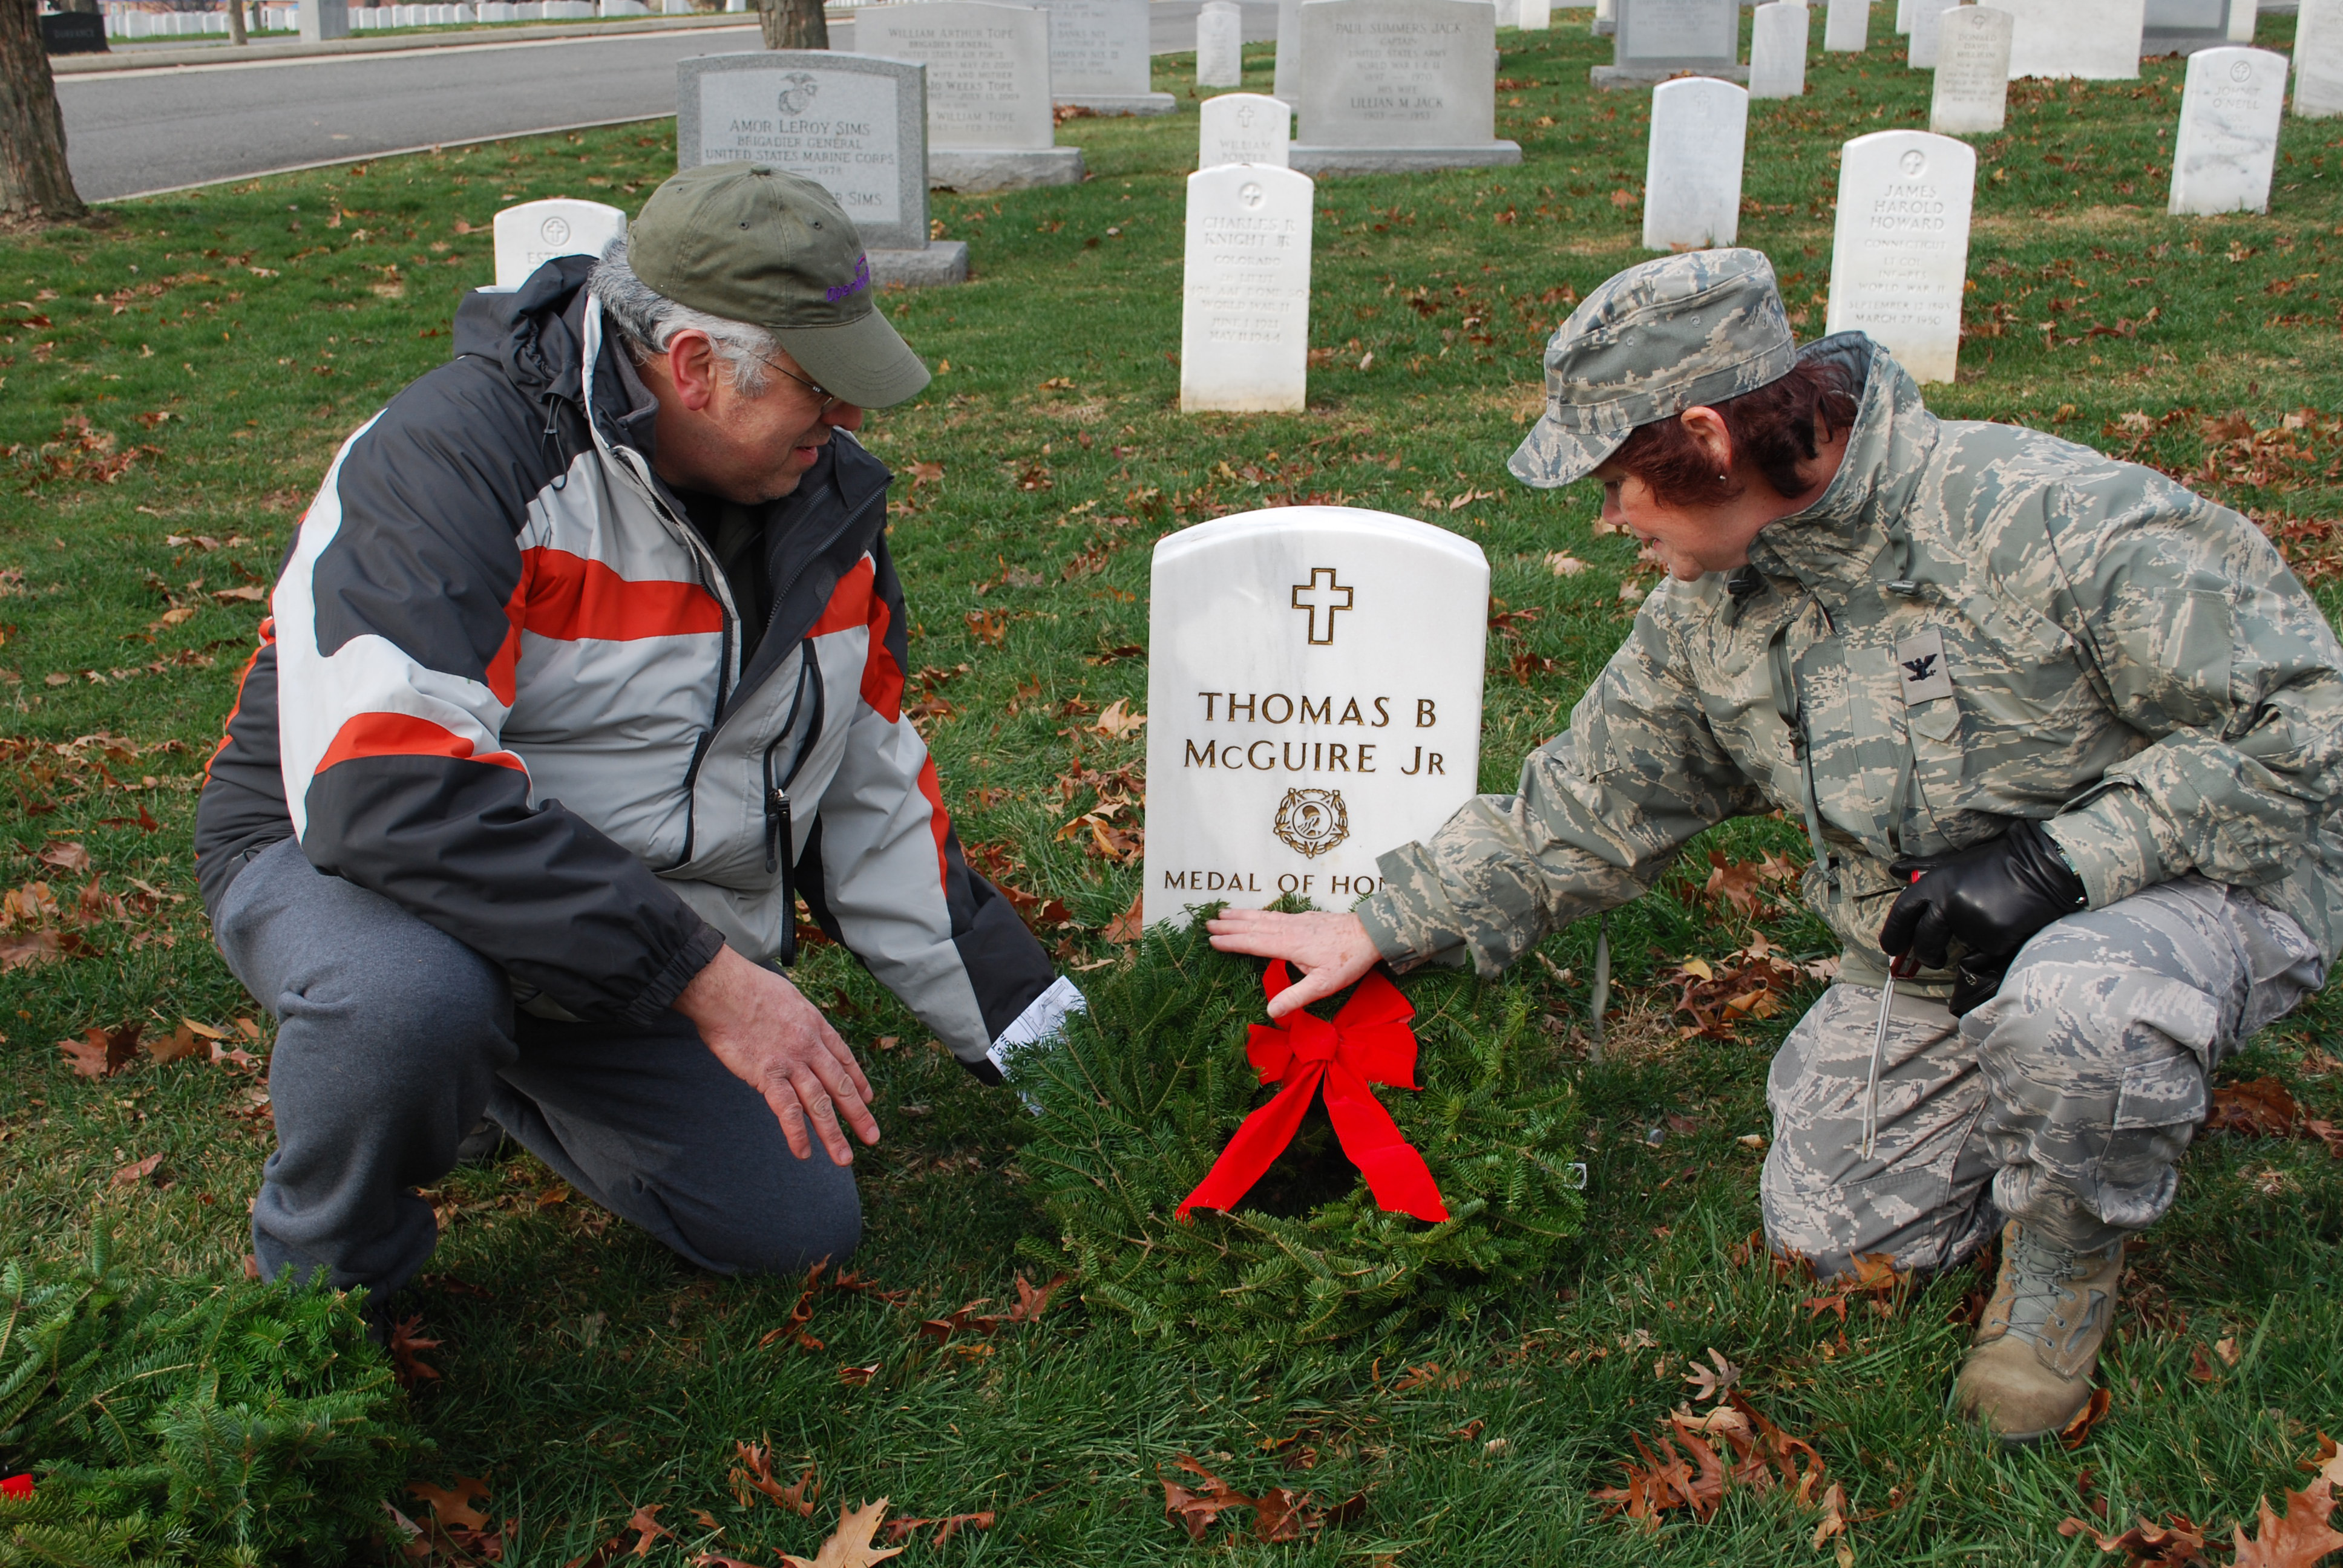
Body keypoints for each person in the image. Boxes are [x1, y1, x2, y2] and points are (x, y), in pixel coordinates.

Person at [1208, 247, 2343, 1446]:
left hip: (2196, 889)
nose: (1606, 522)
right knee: (1829, 1233)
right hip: (1935, 954)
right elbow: (1588, 806)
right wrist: (1383, 921)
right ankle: (2069, 1104)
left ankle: (2062, 1265)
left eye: (1613, 483)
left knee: (2080, 1011)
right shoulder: (1713, 607)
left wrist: (2061, 864)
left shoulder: (2054, 522)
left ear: (1704, 438)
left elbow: (2306, 722)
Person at [195, 164, 1080, 1309]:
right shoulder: (454, 458)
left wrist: (1080, 1071)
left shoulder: (828, 509)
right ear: (697, 367)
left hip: (618, 920)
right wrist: (706, 980)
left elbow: (872, 813)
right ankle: (321, 1296)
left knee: (793, 1223)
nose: (851, 420)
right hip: (345, 861)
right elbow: (386, 791)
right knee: (410, 1000)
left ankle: (502, 1064)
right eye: (822, 386)